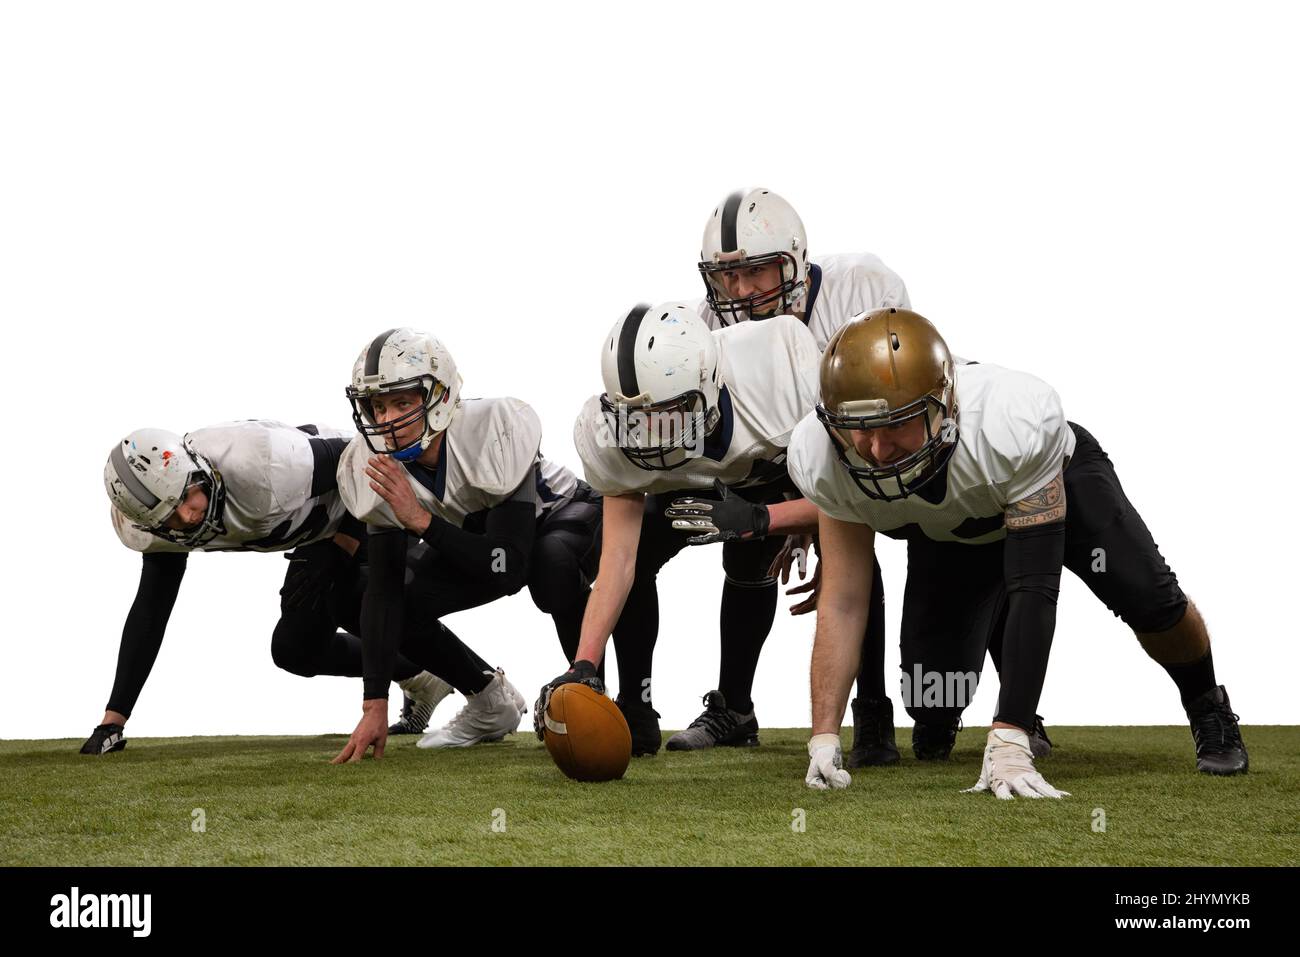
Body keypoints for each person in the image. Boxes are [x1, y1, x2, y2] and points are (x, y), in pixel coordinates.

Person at [787, 308, 1247, 795]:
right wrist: (823, 735)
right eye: (859, 427)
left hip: (1055, 488)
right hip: (953, 530)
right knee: (932, 696)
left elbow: (1035, 584)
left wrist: (1011, 734)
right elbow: (843, 599)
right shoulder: (822, 455)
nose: (877, 450)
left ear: (943, 405)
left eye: (897, 424)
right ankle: (1005, 678)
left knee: (1149, 598)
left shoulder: (1011, 427)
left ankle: (1206, 703)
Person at [534, 303, 824, 756]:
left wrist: (767, 519)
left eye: (666, 414)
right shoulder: (609, 432)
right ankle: (636, 707)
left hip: (778, 476)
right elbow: (618, 560)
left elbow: (853, 502)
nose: (649, 433)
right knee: (638, 545)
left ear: (709, 385)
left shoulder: (783, 372)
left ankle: (861, 719)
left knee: (794, 560)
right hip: (692, 482)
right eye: (635, 418)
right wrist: (584, 663)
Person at [87, 419, 451, 754]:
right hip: (319, 531)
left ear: (197, 467)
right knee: (295, 649)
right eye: (169, 517)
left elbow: (367, 459)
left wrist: (342, 546)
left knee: (366, 601)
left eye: (186, 496)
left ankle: (485, 690)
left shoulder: (261, 461)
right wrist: (113, 719)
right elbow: (151, 608)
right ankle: (421, 676)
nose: (187, 516)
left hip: (375, 503)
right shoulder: (147, 525)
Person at [331, 328, 599, 762]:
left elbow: (508, 567)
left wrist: (419, 520)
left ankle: (598, 693)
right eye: (376, 406)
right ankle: (489, 700)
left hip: (560, 517)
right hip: (480, 539)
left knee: (551, 569)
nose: (386, 420)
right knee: (395, 599)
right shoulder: (368, 465)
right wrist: (373, 703)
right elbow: (383, 592)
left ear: (440, 397)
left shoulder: (492, 429)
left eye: (402, 402)